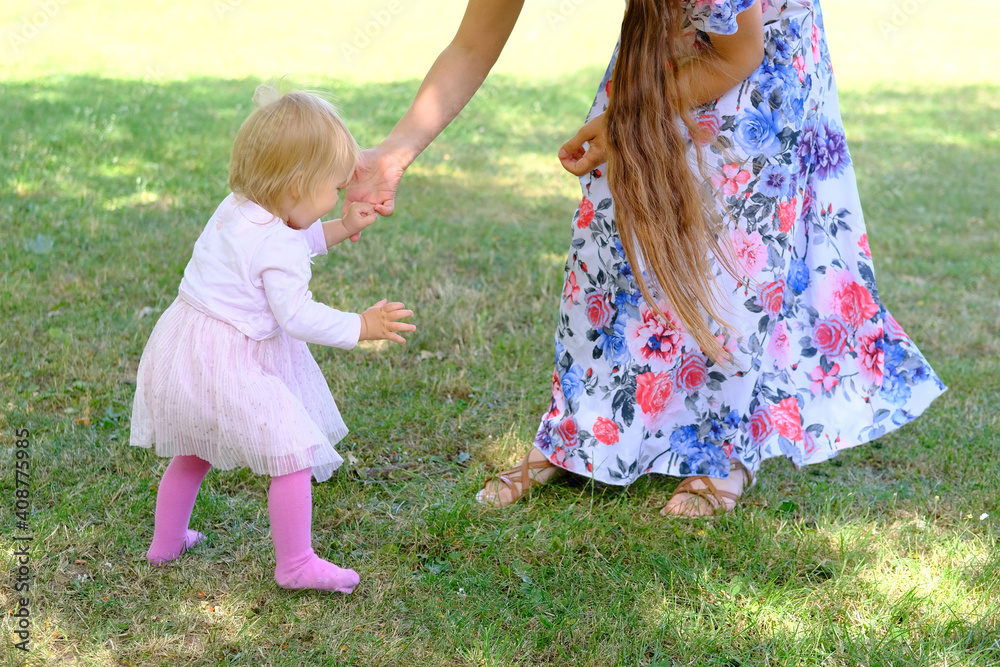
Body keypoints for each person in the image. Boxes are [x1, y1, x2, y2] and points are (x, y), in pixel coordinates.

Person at [345, 0, 945, 515]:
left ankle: (724, 451)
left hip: (756, 60)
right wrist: (397, 150)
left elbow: (736, 56)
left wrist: (625, 119)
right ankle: (577, 436)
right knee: (610, 243)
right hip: (664, 46)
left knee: (737, 256)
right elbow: (473, 43)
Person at [130, 85, 415, 592]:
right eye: (332, 189)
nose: (337, 196)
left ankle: (165, 542)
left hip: (189, 345)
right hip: (232, 360)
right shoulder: (279, 243)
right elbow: (298, 316)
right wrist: (360, 326)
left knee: (194, 451)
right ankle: (296, 563)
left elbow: (290, 234)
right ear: (297, 186)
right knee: (293, 453)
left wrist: (342, 226)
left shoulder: (240, 206)